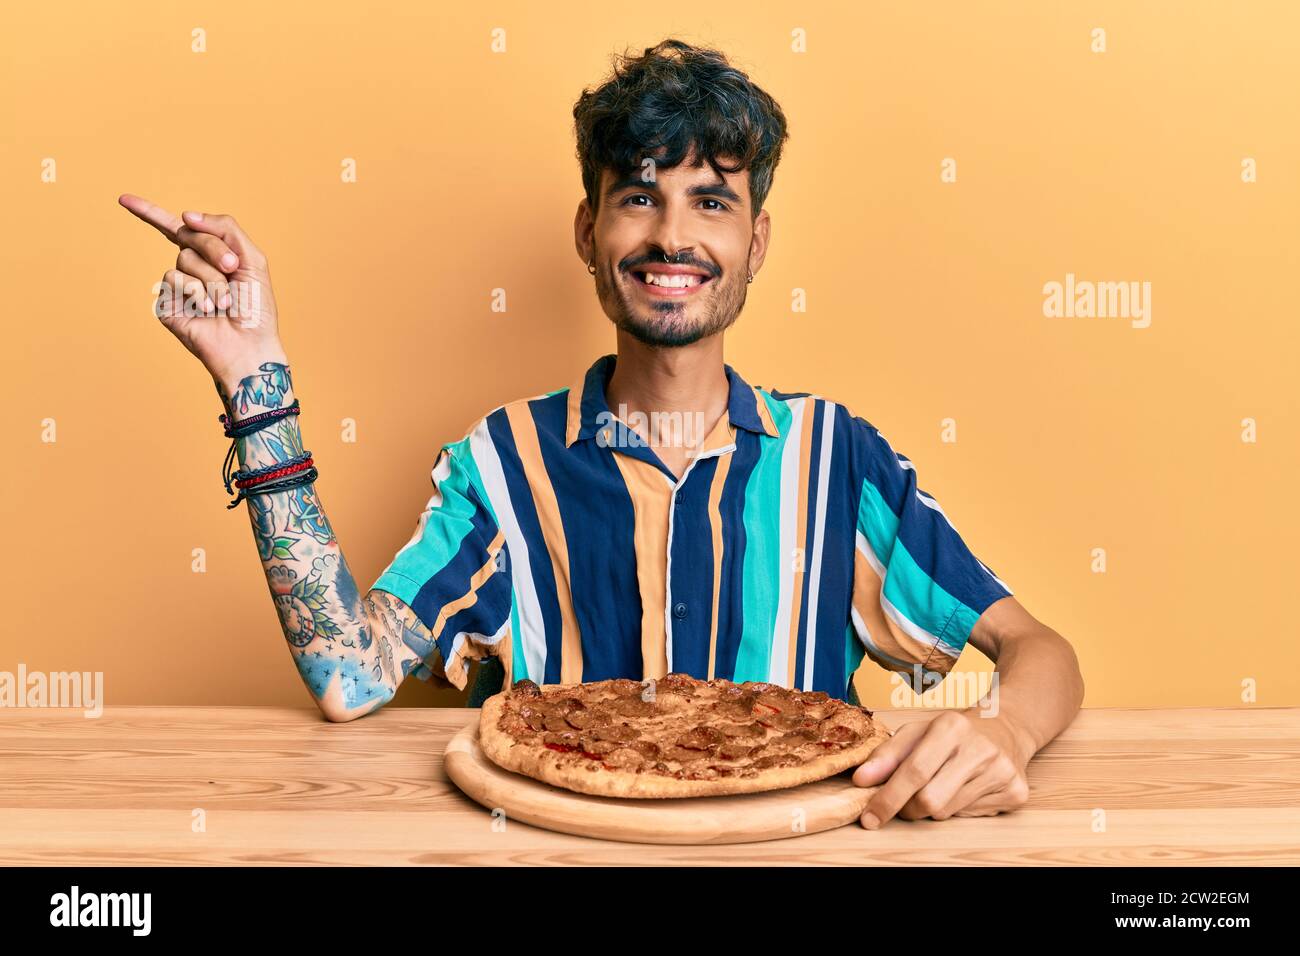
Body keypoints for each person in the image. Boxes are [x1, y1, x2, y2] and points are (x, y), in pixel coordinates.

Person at [119, 38, 1083, 827]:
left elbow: (1040, 650)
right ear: (589, 232)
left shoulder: (836, 460)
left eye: (711, 200)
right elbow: (348, 676)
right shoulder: (500, 466)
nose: (672, 235)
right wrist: (256, 384)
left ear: (756, 243)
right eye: (638, 196)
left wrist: (1002, 733)